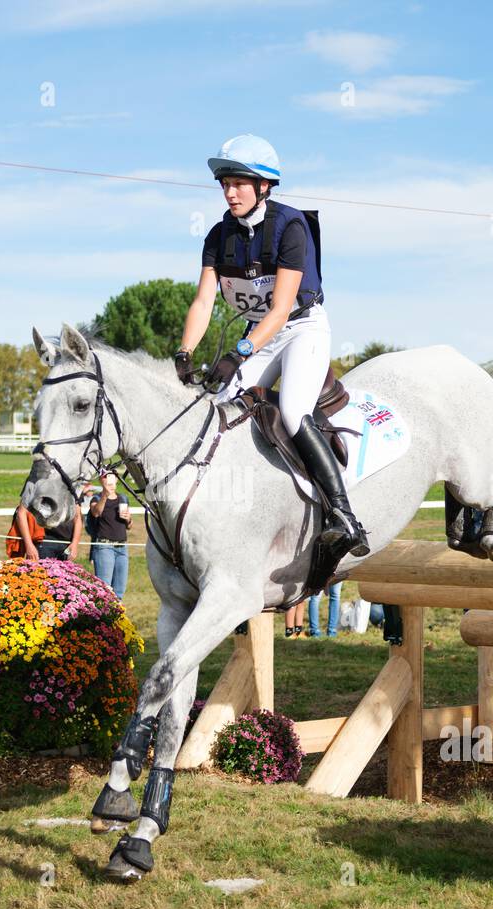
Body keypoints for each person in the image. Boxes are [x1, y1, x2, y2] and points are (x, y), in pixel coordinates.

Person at [175, 133, 368, 567]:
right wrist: (185, 352)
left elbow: (281, 310)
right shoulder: (217, 235)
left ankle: (344, 515)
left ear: (264, 186)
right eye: (224, 183)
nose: (228, 191)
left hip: (302, 329)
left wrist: (237, 354)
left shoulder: (291, 225)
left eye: (238, 183)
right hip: (257, 334)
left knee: (295, 410)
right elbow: (204, 302)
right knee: (218, 408)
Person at [87, 472, 130, 598]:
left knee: (119, 592)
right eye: (106, 476)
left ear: (116, 479)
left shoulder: (123, 498)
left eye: (112, 476)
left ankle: (117, 617)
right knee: (104, 590)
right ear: (101, 480)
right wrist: (105, 495)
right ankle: (102, 617)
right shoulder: (96, 498)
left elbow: (129, 526)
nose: (109, 479)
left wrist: (128, 519)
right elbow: (96, 512)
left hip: (122, 548)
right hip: (104, 547)